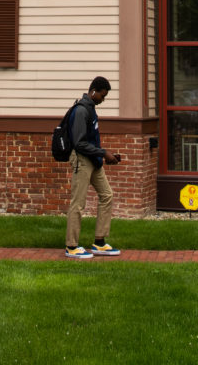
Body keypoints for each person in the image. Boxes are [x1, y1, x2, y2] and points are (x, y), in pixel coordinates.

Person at [64, 76, 122, 259]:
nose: (103, 99)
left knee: (107, 195)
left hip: (93, 160)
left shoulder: (91, 109)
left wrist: (105, 155)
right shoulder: (81, 110)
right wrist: (103, 153)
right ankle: (71, 246)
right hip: (82, 159)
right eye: (102, 96)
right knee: (78, 203)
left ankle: (99, 243)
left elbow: (91, 140)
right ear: (93, 91)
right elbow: (79, 143)